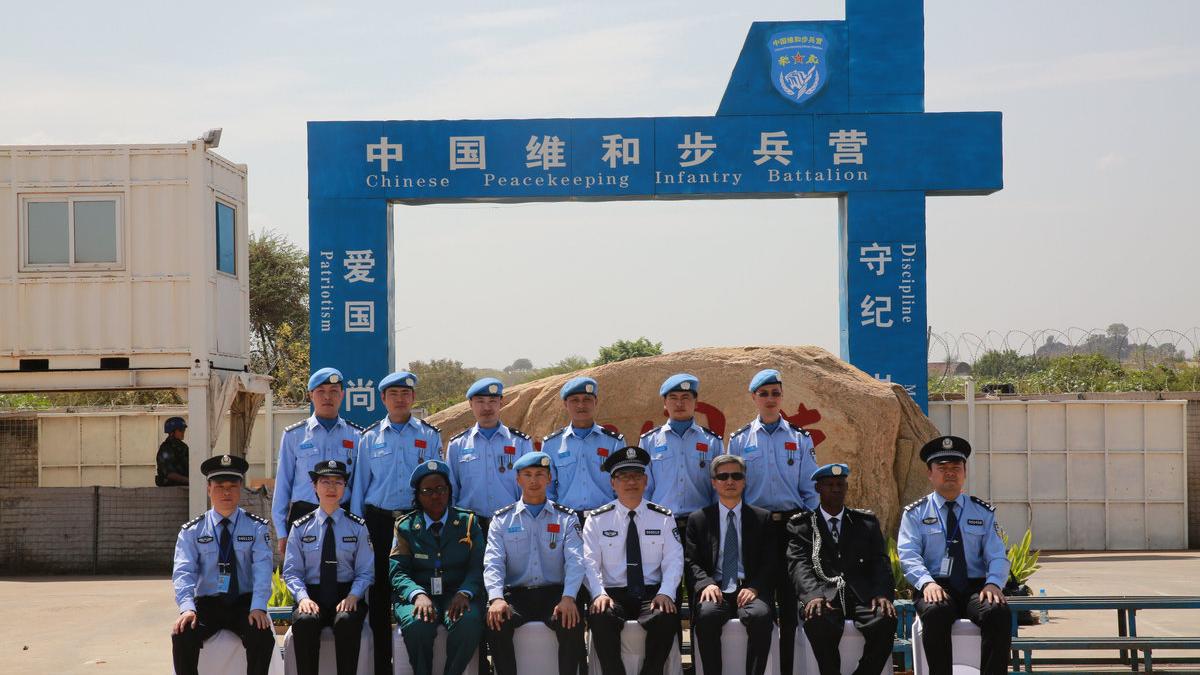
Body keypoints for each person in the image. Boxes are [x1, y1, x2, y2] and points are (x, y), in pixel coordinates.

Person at [727, 368, 819, 675]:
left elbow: (810, 489)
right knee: (759, 602)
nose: (770, 399)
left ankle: (789, 669)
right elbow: (731, 487)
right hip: (755, 527)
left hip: (793, 526)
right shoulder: (739, 440)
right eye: (763, 394)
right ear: (753, 397)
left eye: (775, 393)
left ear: (782, 397)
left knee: (791, 604)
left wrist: (809, 527)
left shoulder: (799, 438)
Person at [351, 370, 442, 675]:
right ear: (383, 400)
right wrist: (358, 529)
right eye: (393, 395)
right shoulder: (369, 437)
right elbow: (360, 487)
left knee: (419, 586)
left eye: (405, 394)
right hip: (379, 522)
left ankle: (418, 662)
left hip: (417, 522)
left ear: (413, 398)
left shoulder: (429, 435)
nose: (400, 399)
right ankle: (381, 666)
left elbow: (439, 485)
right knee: (378, 593)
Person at [898, 436, 1011, 675]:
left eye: (955, 467)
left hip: (975, 588)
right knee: (936, 611)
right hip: (936, 586)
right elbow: (908, 555)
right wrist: (926, 583)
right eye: (942, 468)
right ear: (929, 473)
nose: (950, 473)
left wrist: (993, 584)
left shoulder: (982, 511)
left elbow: (997, 554)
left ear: (964, 472)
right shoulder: (915, 513)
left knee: (997, 612)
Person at [582, 446, 683, 675]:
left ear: (646, 480)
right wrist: (599, 594)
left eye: (636, 476)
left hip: (651, 593)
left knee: (666, 615)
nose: (630, 482)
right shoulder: (597, 520)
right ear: (612, 483)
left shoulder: (663, 517)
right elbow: (589, 562)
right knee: (600, 616)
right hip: (612, 593)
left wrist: (666, 592)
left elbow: (674, 560)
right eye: (623, 477)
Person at [483, 452, 586, 675]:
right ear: (518, 480)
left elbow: (576, 561)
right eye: (527, 474)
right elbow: (493, 562)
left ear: (549, 478)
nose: (533, 480)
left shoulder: (566, 518)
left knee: (572, 620)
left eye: (540, 474)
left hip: (555, 595)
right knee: (496, 619)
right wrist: (496, 598)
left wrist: (569, 598)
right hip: (517, 596)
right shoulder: (502, 520)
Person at [788, 463, 897, 675]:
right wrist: (812, 596)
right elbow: (798, 564)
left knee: (886, 619)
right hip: (824, 596)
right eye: (829, 484)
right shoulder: (802, 525)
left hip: (862, 595)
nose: (836, 489)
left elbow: (880, 561)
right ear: (818, 489)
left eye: (840, 484)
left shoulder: (865, 522)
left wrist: (881, 593)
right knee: (817, 620)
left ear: (847, 487)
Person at [171, 454, 274, 675]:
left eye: (232, 486)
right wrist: (187, 608)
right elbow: (183, 573)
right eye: (219, 486)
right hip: (208, 604)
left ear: (240, 488)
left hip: (243, 603)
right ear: (209, 489)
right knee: (182, 634)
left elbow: (262, 570)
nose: (226, 492)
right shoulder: (192, 531)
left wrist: (258, 606)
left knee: (262, 635)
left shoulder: (256, 528)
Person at [390, 460, 486, 675]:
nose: (436, 495)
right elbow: (398, 571)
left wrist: (465, 592)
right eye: (428, 491)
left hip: (457, 592)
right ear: (418, 495)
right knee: (417, 626)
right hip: (420, 593)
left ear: (449, 491)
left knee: (468, 623)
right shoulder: (405, 526)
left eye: (441, 489)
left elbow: (478, 566)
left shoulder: (467, 522)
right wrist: (417, 595)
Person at [684, 454, 776, 675]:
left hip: (750, 588)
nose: (730, 481)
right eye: (723, 476)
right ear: (714, 482)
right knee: (706, 616)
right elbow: (690, 560)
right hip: (715, 588)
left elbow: (771, 561)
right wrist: (705, 584)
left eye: (736, 475)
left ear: (744, 481)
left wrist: (754, 587)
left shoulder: (762, 518)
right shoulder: (698, 519)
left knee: (762, 616)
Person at [283, 460, 374, 675]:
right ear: (314, 487)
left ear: (345, 488)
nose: (331, 488)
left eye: (338, 482)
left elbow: (366, 570)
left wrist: (354, 596)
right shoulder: (300, 527)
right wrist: (302, 598)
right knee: (304, 622)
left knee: (346, 621)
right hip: (312, 596)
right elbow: (292, 572)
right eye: (325, 482)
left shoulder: (357, 526)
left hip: (346, 594)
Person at [273, 367, 363, 554]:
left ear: (342, 395)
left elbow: (358, 486)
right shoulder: (294, 435)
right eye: (321, 391)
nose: (327, 397)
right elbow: (283, 484)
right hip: (303, 515)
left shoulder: (357, 436)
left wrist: (356, 524)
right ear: (311, 395)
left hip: (343, 515)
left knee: (343, 575)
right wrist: (281, 531)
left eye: (333, 392)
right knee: (302, 578)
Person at [446, 377, 532, 528]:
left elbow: (529, 487)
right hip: (468, 525)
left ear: (501, 402)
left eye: (492, 401)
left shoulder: (520, 443)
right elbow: (451, 489)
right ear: (470, 404)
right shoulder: (457, 445)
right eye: (480, 401)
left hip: (510, 523)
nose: (487, 407)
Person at [542, 377, 623, 513]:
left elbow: (621, 483)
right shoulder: (552, 444)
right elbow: (547, 488)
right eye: (574, 400)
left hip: (606, 517)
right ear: (565, 404)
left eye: (587, 399)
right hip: (568, 520)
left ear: (595, 402)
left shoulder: (614, 442)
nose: (581, 405)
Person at [156, 416, 189, 486]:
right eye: (180, 430)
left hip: (186, 486)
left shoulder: (183, 447)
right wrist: (190, 481)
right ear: (172, 432)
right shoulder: (166, 449)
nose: (183, 432)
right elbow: (169, 474)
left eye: (183, 430)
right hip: (170, 488)